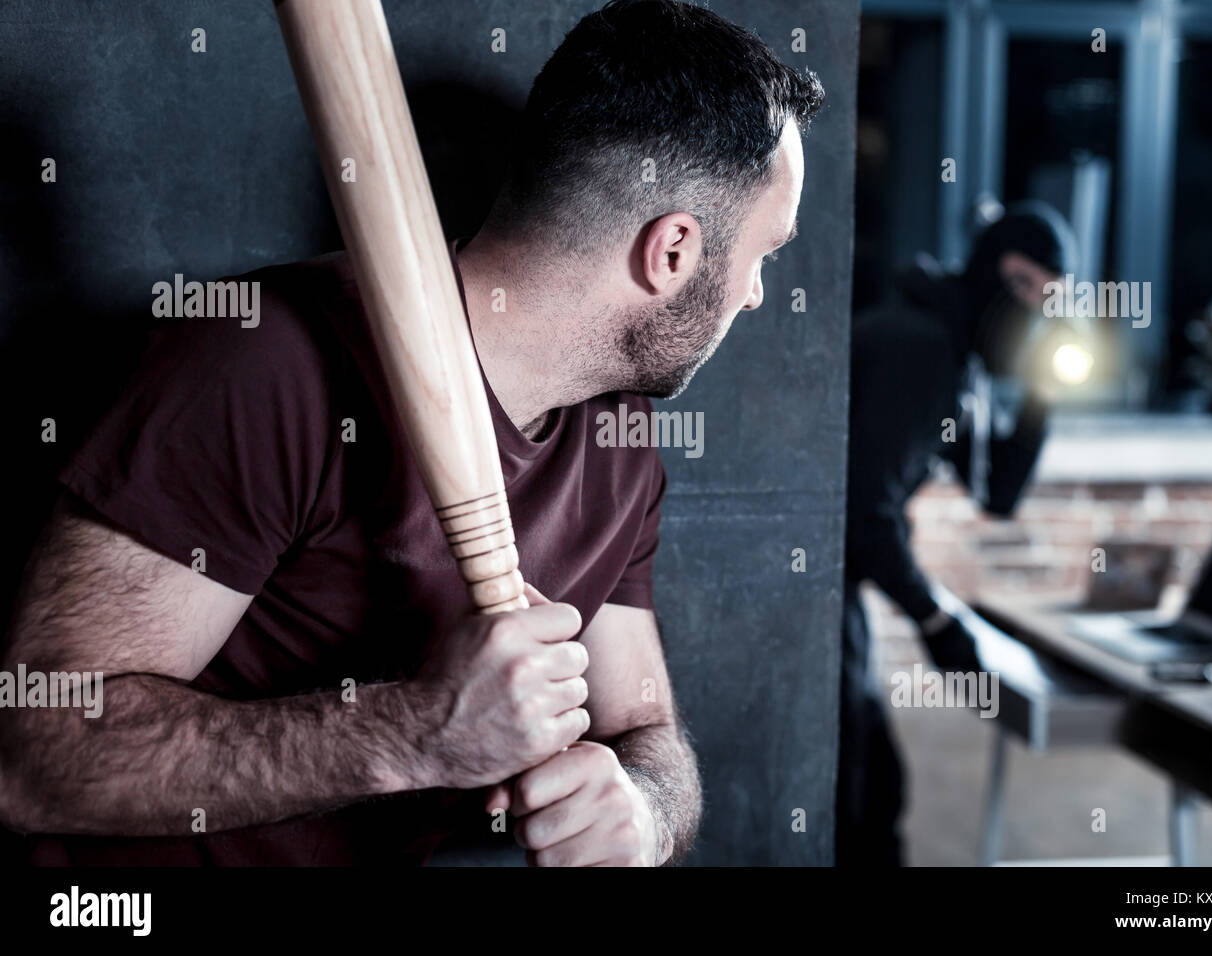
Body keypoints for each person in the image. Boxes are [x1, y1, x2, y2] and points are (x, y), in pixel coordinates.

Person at [0, 0, 824, 866]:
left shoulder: (617, 438)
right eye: (762, 256)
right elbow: (28, 752)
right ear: (673, 252)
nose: (757, 295)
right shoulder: (266, 363)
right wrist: (416, 730)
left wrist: (644, 810)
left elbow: (643, 721)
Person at [838, 201, 1078, 866]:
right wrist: (936, 617)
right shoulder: (920, 348)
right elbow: (866, 511)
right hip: (810, 591)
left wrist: (1042, 391)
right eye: (1027, 289)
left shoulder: (955, 353)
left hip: (836, 588)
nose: (1036, 311)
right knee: (858, 802)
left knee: (873, 794)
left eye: (1051, 299)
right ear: (993, 273)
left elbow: (996, 492)